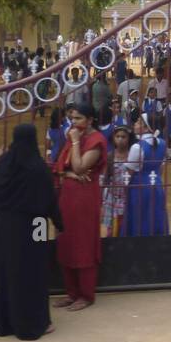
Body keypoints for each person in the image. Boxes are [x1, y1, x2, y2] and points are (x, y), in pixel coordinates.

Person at [0, 124, 60, 340]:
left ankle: (5, 323)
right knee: (34, 272)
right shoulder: (38, 168)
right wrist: (59, 222)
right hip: (35, 225)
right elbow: (49, 200)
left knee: (6, 271)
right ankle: (33, 322)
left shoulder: (2, 164)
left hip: (5, 226)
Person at [52, 101, 107, 310]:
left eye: (78, 118)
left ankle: (86, 294)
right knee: (67, 240)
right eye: (71, 118)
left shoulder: (96, 140)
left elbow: (79, 165)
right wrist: (70, 174)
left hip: (85, 198)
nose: (73, 122)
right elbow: (60, 167)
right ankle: (71, 292)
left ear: (90, 120)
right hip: (67, 196)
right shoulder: (74, 137)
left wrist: (75, 143)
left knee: (83, 243)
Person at [125, 112, 169, 236]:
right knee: (156, 218)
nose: (135, 124)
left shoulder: (137, 147)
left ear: (145, 128)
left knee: (140, 219)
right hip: (157, 185)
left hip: (140, 187)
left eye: (138, 122)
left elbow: (129, 173)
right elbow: (161, 168)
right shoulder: (162, 143)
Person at [102, 126, 132, 238]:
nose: (120, 139)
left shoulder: (132, 155)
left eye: (123, 137)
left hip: (126, 195)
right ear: (113, 138)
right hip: (112, 195)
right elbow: (105, 177)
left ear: (128, 138)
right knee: (110, 226)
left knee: (124, 224)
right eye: (117, 136)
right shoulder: (110, 156)